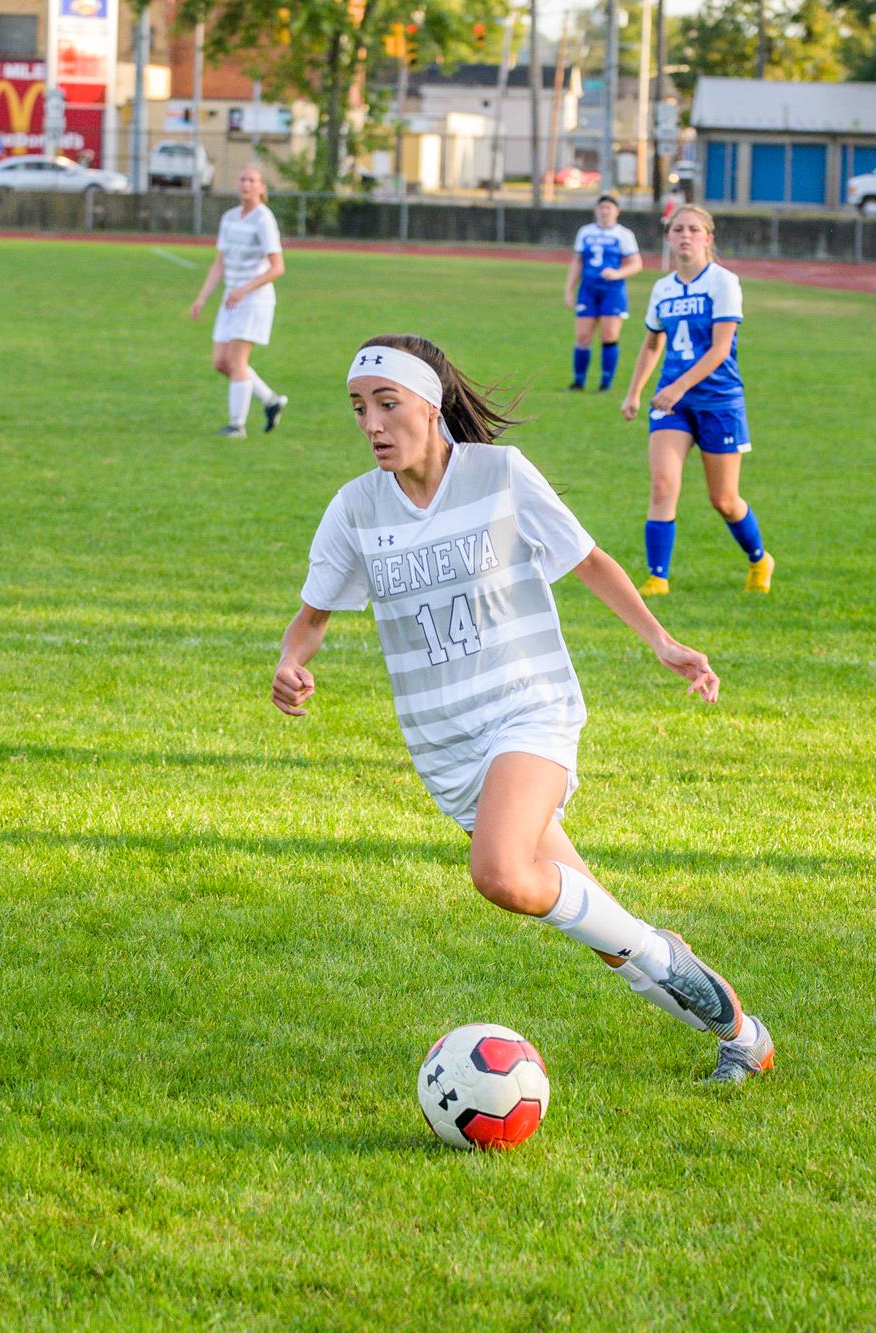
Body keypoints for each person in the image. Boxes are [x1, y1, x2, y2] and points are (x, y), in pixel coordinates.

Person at [275, 334, 775, 1085]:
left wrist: (665, 643)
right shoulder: (355, 509)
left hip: (528, 711)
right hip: (446, 750)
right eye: (358, 408)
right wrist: (290, 664)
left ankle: (652, 947)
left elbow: (588, 560)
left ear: (432, 402)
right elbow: (311, 619)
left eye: (387, 404)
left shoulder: (499, 475)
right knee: (611, 939)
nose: (371, 423)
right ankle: (741, 1031)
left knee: (503, 872)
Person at [619, 206, 772, 597]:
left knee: (723, 499)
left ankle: (759, 559)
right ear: (668, 238)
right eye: (677, 229)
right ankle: (658, 578)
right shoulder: (662, 288)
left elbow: (721, 350)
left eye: (693, 229)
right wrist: (635, 391)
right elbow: (653, 343)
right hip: (673, 403)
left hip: (719, 401)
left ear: (708, 238)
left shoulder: (723, 282)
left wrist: (677, 387)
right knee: (662, 485)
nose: (685, 235)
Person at [189, 164, 289, 439]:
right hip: (230, 299)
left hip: (254, 299)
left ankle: (237, 425)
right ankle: (270, 400)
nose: (246, 184)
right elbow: (219, 263)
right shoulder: (230, 217)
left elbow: (277, 267)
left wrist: (244, 289)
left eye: (252, 180)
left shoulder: (263, 219)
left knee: (236, 360)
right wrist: (202, 298)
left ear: (261, 188)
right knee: (221, 362)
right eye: (242, 179)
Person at [565, 195, 644, 392]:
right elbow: (577, 262)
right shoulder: (585, 232)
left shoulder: (624, 235)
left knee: (609, 336)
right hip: (588, 290)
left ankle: (605, 383)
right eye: (601, 207)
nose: (604, 211)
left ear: (617, 211)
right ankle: (578, 381)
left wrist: (618, 273)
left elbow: (636, 264)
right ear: (596, 210)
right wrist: (569, 289)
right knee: (582, 336)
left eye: (609, 207)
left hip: (613, 291)